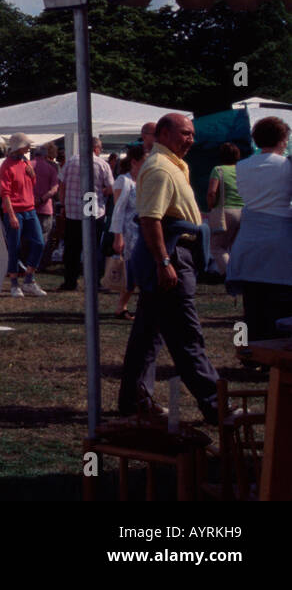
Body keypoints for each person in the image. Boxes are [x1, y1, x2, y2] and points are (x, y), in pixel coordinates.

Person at [117, 114, 219, 423]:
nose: (190, 139)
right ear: (163, 133)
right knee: (186, 335)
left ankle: (134, 400)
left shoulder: (174, 164)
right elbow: (150, 219)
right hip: (170, 257)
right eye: (185, 133)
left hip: (174, 254)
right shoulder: (160, 168)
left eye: (192, 135)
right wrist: (163, 262)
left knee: (148, 334)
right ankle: (216, 404)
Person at [226, 117, 292, 343]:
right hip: (279, 238)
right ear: (283, 140)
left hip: (249, 237)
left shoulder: (242, 166)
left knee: (254, 304)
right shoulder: (287, 165)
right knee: (281, 303)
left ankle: (252, 349)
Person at [57, 136, 115, 291]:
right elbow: (111, 187)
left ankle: (70, 281)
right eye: (100, 148)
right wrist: (102, 191)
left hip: (73, 211)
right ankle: (94, 282)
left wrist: (63, 204)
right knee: (93, 248)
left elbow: (61, 184)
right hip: (92, 210)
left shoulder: (70, 161)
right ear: (96, 148)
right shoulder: (102, 164)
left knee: (72, 250)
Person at [0, 133, 47, 297]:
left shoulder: (25, 162)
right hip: (16, 211)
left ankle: (28, 279)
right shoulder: (6, 166)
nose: (28, 148)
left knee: (39, 243)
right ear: (19, 147)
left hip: (29, 209)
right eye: (26, 145)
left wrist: (32, 175)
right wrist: (11, 215)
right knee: (14, 247)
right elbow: (5, 194)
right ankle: (14, 284)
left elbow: (30, 185)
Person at [109, 143, 146, 320]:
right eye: (144, 162)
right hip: (130, 233)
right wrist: (118, 236)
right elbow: (118, 211)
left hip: (143, 231)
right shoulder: (124, 181)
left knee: (139, 272)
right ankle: (121, 307)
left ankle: (124, 306)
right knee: (131, 271)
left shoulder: (144, 181)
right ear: (134, 162)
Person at [206, 141, 245, 277]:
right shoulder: (242, 170)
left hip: (225, 211)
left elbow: (212, 192)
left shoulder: (218, 170)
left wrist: (211, 206)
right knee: (235, 246)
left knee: (217, 247)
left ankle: (231, 275)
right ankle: (242, 273)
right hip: (243, 211)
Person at [32, 140, 61, 267]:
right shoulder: (53, 167)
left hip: (29, 206)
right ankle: (41, 262)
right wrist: (43, 199)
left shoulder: (28, 165)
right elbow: (55, 188)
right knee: (45, 236)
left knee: (30, 236)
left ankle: (29, 262)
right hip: (46, 206)